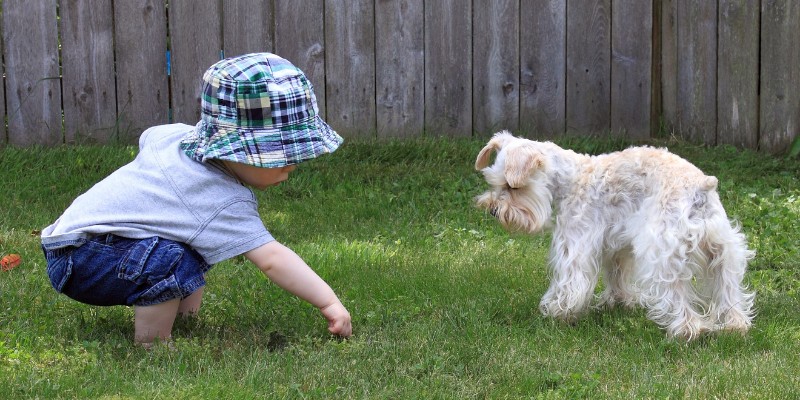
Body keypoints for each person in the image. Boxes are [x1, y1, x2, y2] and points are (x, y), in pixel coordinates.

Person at [41, 53, 352, 347]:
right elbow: (272, 260)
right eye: (280, 156)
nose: (291, 163)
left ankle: (185, 319)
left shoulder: (176, 137)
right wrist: (329, 302)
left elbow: (151, 135)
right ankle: (153, 343)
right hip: (84, 262)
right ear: (236, 151)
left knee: (188, 242)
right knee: (168, 257)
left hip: (72, 244)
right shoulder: (219, 199)